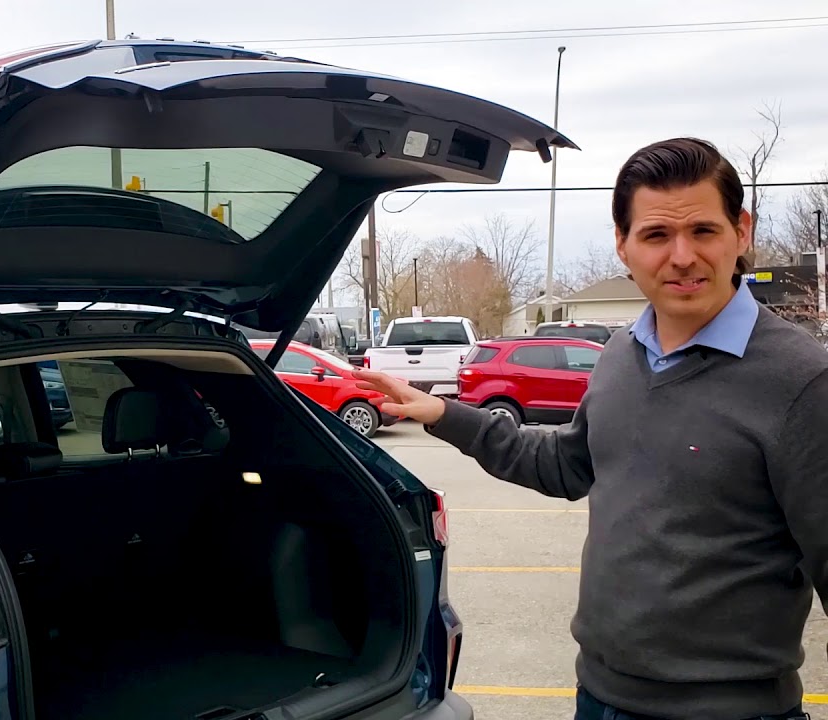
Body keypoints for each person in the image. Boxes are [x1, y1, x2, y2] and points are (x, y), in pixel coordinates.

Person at [354, 137, 826, 720]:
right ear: (623, 247)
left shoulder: (801, 380)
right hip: (599, 697)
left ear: (742, 232)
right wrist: (446, 415)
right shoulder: (621, 355)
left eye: (703, 231)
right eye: (656, 235)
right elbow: (565, 466)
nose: (681, 256)